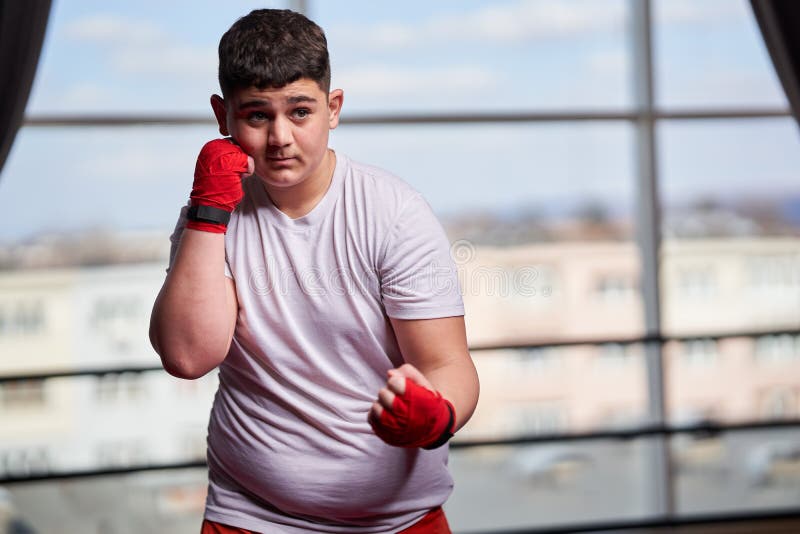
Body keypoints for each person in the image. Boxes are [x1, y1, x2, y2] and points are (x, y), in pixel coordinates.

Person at [149, 8, 479, 534]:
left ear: (333, 107)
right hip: (249, 515)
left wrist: (436, 416)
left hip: (396, 520)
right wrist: (208, 214)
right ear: (223, 116)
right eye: (257, 115)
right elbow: (188, 356)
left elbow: (448, 363)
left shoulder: (393, 212)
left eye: (299, 112)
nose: (279, 136)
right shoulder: (213, 211)